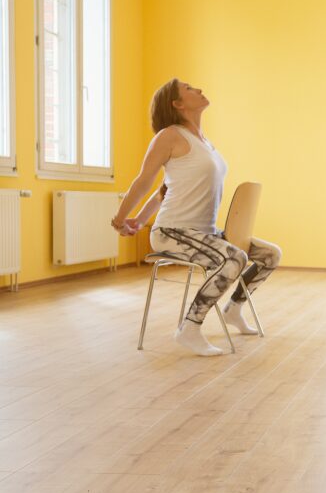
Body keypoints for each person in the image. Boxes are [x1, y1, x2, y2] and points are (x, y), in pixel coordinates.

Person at [111, 79, 282, 356]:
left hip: (204, 233)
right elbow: (144, 181)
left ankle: (234, 310)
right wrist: (121, 219)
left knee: (270, 255)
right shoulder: (168, 136)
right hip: (172, 232)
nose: (199, 90)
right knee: (234, 258)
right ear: (177, 104)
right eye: (189, 89)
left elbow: (164, 190)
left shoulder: (204, 142)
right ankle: (189, 328)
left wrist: (141, 220)